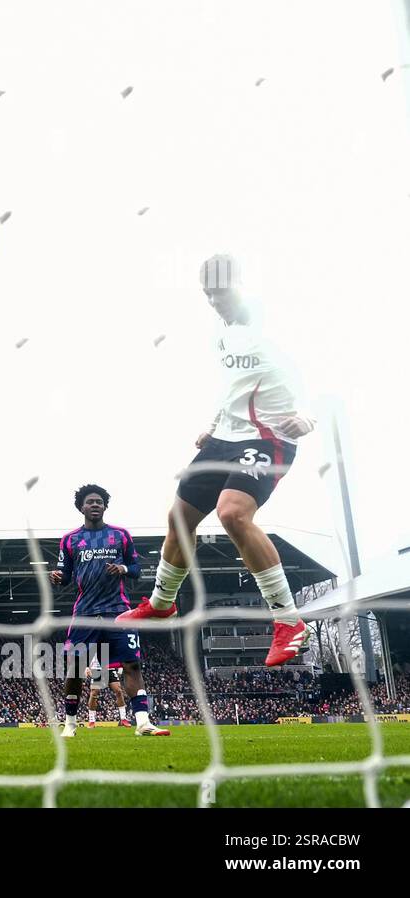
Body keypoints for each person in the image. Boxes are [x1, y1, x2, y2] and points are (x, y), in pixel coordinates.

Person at [118, 254, 315, 667]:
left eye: (219, 292)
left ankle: (289, 621)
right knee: (178, 517)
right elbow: (234, 386)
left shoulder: (277, 323)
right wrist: (213, 425)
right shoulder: (221, 332)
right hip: (224, 437)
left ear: (240, 284)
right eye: (207, 294)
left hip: (269, 437)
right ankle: (161, 603)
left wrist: (309, 415)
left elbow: (319, 369)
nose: (213, 301)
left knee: (233, 514)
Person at [51, 484, 168, 737]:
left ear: (105, 506)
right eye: (90, 502)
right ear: (81, 507)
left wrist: (123, 569)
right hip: (85, 613)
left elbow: (136, 569)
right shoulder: (70, 540)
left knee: (132, 665)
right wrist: (58, 576)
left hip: (118, 612)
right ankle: (70, 724)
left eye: (99, 502)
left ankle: (142, 723)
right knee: (74, 668)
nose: (95, 505)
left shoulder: (121, 535)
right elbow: (67, 576)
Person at [85, 653, 131, 728]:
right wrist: (87, 667)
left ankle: (123, 719)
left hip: (110, 668)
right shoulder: (93, 642)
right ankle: (92, 721)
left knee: (119, 691)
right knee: (94, 693)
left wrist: (120, 667)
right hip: (96, 668)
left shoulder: (112, 641)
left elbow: (117, 650)